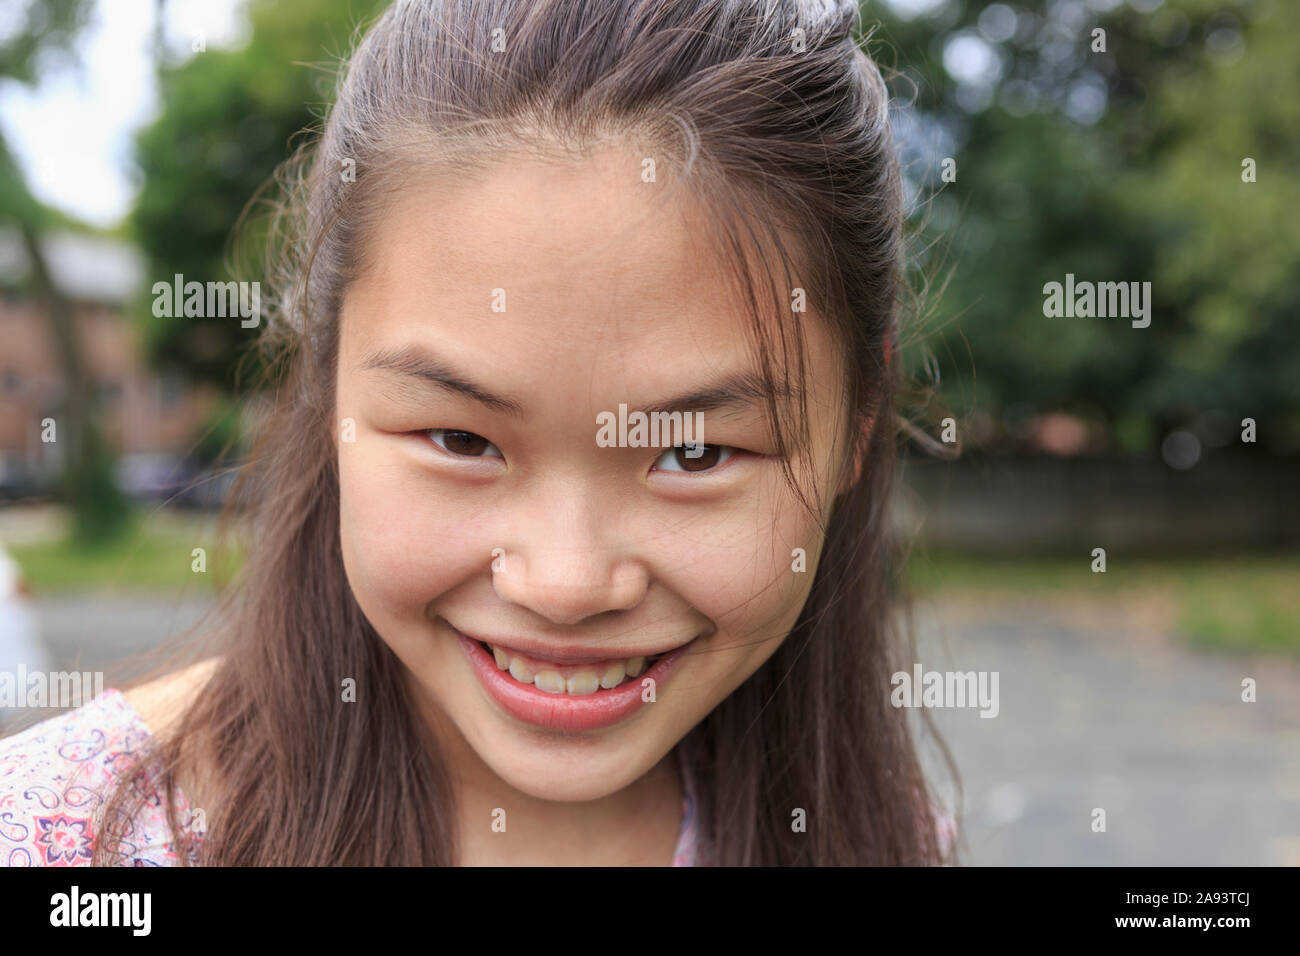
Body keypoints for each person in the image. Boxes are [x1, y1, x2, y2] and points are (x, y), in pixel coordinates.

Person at [0, 0, 955, 866]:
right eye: (461, 441)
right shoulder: (71, 842)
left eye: (695, 453)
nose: (566, 586)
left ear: (853, 433)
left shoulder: (887, 834)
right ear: (326, 395)